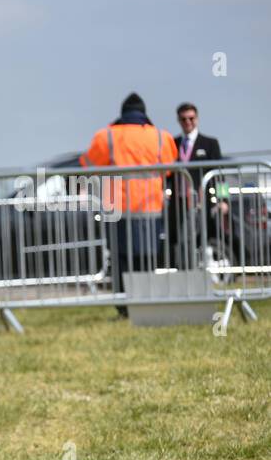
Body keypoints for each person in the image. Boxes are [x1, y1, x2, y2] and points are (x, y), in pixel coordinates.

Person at [79, 92, 178, 312]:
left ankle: (125, 306)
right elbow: (170, 168)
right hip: (150, 208)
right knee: (148, 257)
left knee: (121, 257)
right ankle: (147, 302)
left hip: (119, 208)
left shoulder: (107, 136)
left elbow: (87, 163)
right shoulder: (161, 136)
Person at [168, 102, 225, 269]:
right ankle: (185, 274)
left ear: (197, 119)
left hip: (200, 203)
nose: (188, 122)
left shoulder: (209, 143)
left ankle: (194, 274)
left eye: (191, 118)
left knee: (195, 239)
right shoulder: (173, 143)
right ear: (179, 120)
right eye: (184, 119)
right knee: (180, 241)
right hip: (178, 203)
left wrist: (223, 200)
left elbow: (219, 175)